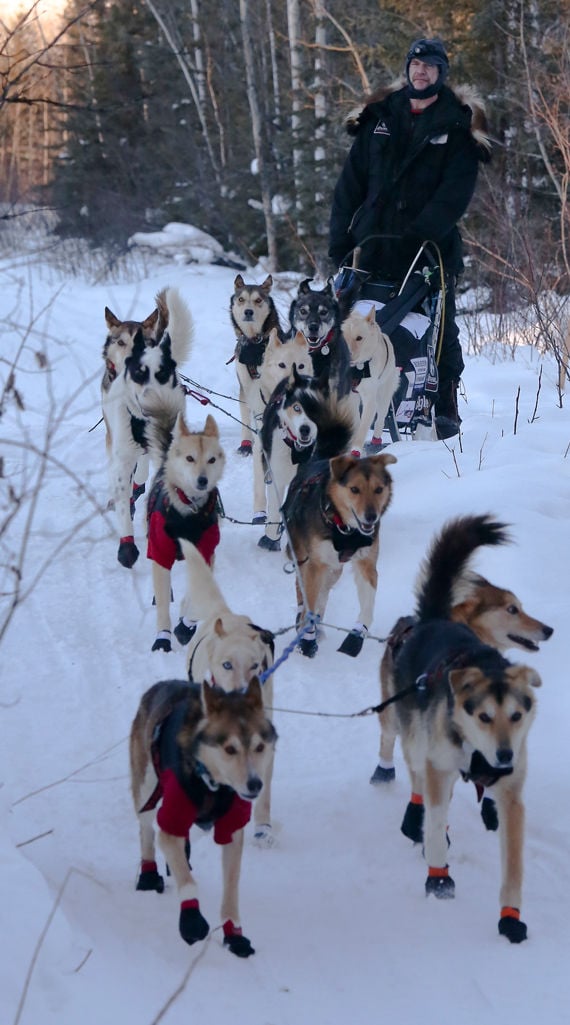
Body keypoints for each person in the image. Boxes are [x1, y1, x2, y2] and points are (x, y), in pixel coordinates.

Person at [328, 37, 492, 439]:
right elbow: (350, 184)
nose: (421, 71)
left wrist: (419, 234)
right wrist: (340, 237)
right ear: (408, 69)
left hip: (428, 246)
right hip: (372, 242)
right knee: (346, 315)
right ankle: (336, 392)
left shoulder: (456, 124)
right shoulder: (380, 117)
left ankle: (444, 396)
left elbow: (454, 194)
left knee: (441, 320)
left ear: (441, 74)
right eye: (416, 64)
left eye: (430, 66)